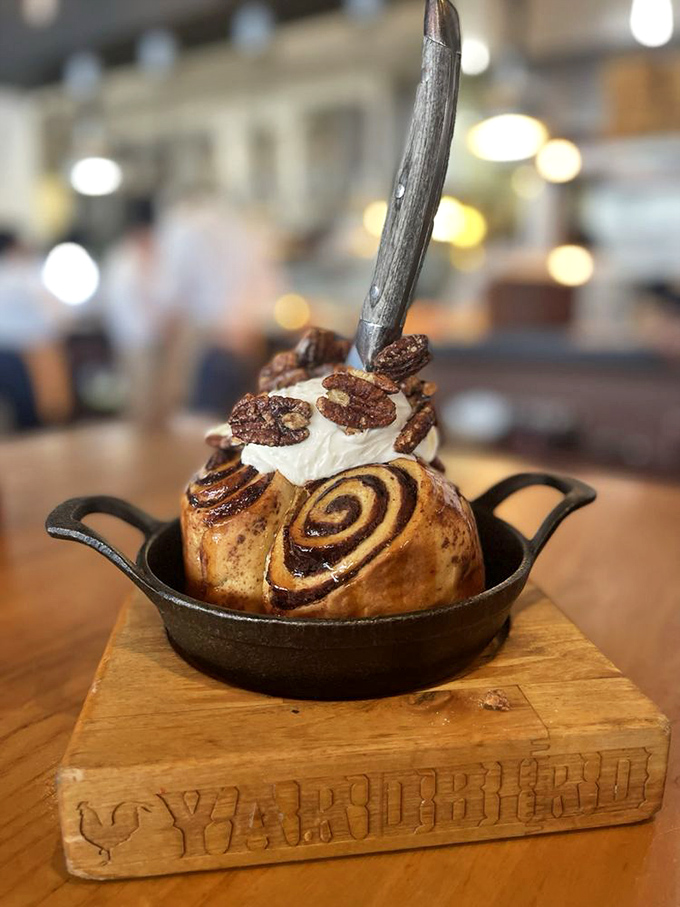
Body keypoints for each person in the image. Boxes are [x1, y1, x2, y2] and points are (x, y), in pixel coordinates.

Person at [101, 199, 176, 426]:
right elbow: (127, 302)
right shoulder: (125, 261)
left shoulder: (149, 258)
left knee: (159, 396)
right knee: (141, 396)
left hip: (148, 336)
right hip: (136, 337)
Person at [0, 229, 71, 431]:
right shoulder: (25, 275)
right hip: (30, 354)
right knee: (34, 418)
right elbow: (56, 315)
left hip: (4, 352)